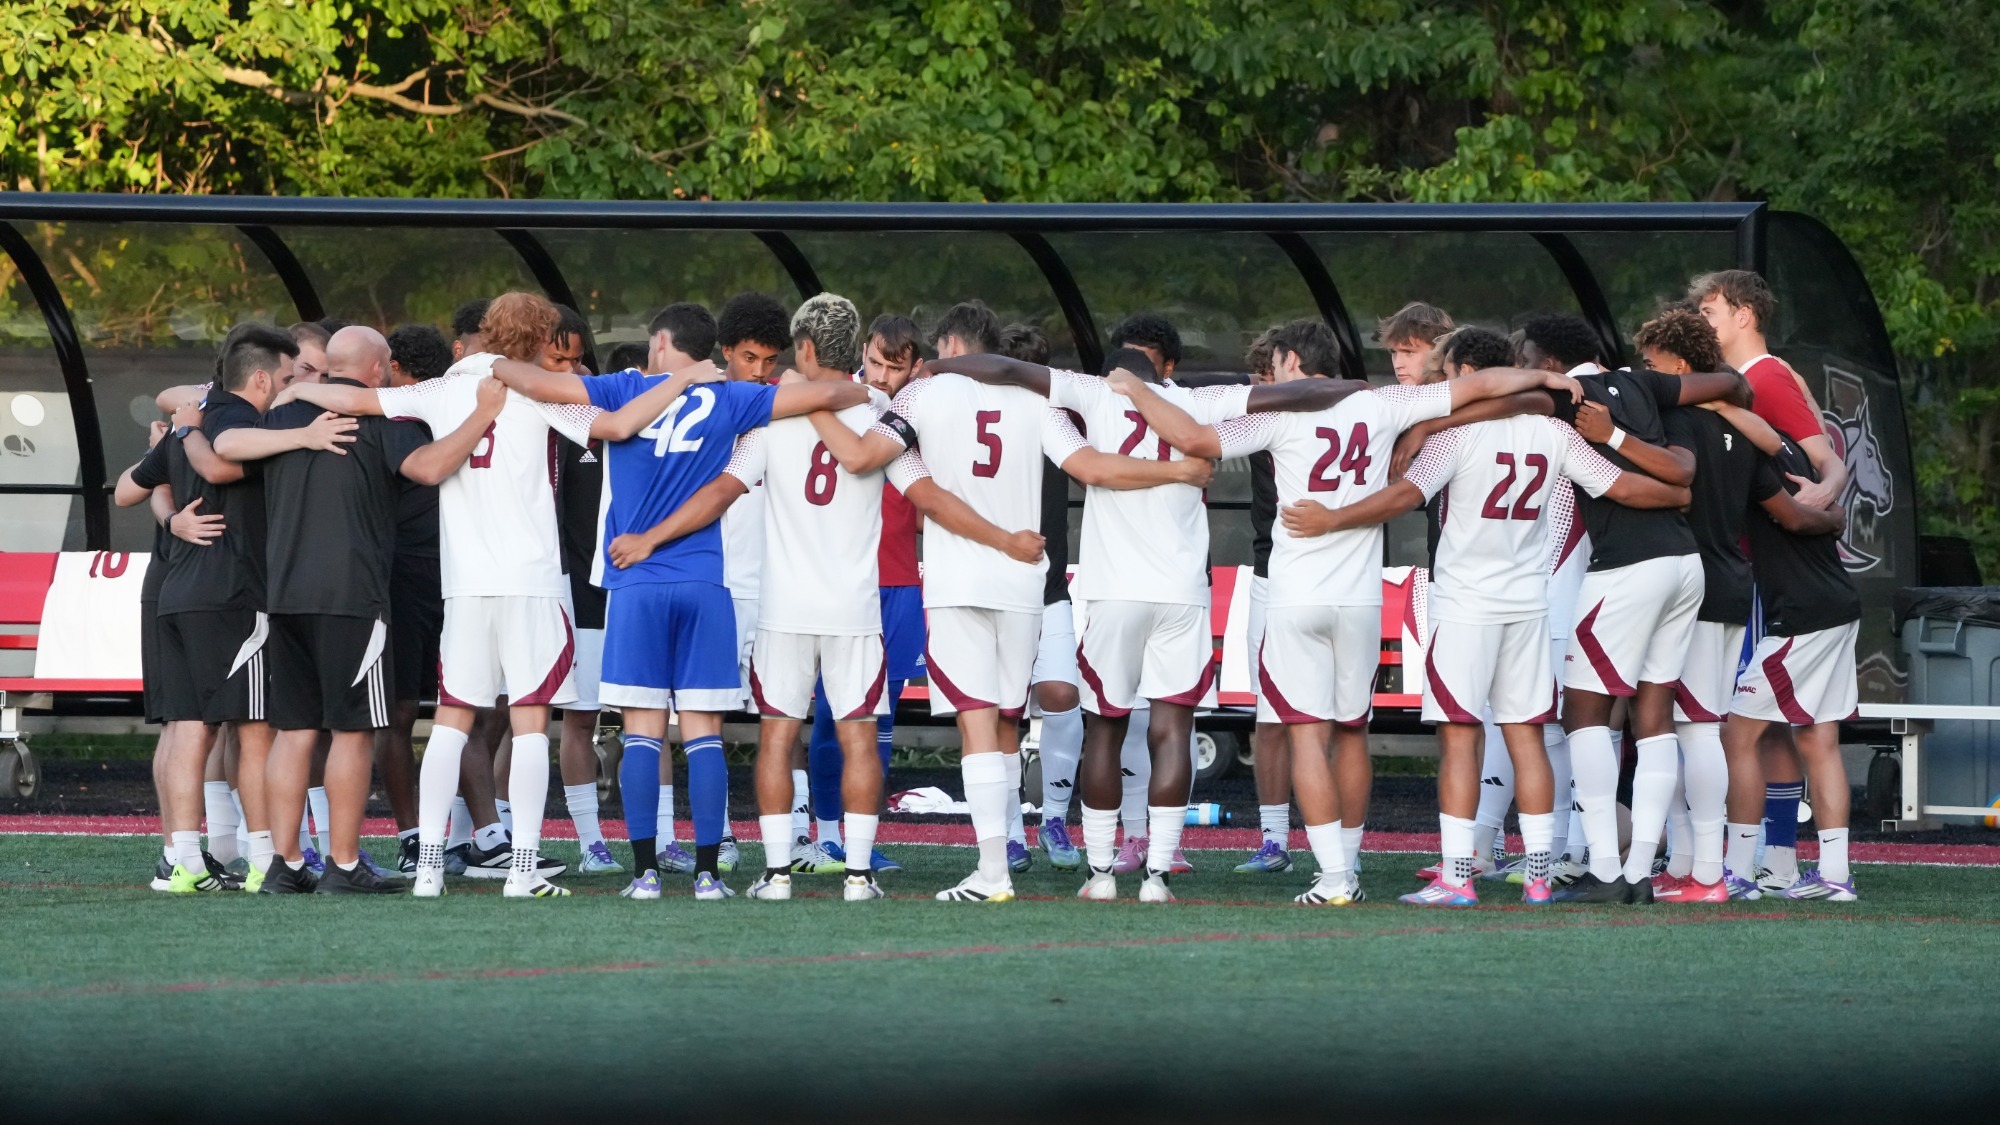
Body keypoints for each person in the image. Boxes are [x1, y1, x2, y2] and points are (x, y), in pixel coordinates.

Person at [1127, 321, 1583, 904]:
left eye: (1278, 365)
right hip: (1362, 599)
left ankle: (1336, 878)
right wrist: (1545, 374)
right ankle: (1370, 868)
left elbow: (1191, 439)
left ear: (1292, 361)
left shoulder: (1279, 413)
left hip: (1298, 596)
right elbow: (1486, 385)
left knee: (1308, 737)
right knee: (1353, 736)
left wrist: (1136, 390)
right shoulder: (1382, 403)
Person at [281, 293, 684, 898]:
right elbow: (619, 425)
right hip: (530, 581)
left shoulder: (444, 386)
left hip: (464, 584)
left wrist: (295, 392)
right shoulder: (541, 390)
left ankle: (429, 870)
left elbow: (357, 398)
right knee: (528, 725)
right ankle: (522, 870)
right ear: (538, 338)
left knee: (449, 723)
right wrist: (684, 380)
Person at [1279, 326, 1690, 906]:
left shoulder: (1459, 436)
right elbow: (1620, 486)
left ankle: (1457, 877)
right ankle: (1541, 877)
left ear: (1467, 372)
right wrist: (1676, 496)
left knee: (1461, 738)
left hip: (1466, 605)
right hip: (1528, 602)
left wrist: (1331, 519)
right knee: (1527, 737)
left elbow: (1404, 498)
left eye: (1449, 376)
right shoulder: (1554, 432)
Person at [487, 306, 870, 901]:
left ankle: (643, 875)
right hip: (704, 584)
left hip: (635, 580)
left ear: (661, 342)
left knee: (642, 732)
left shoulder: (626, 386)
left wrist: (481, 363)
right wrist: (813, 384)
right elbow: (837, 395)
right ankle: (709, 875)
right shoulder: (734, 397)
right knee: (704, 735)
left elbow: (533, 381)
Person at [245, 326, 511, 894]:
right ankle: (344, 865)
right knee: (353, 732)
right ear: (378, 370)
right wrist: (483, 414)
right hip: (352, 599)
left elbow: (223, 444)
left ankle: (285, 865)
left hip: (284, 596)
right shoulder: (382, 425)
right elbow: (432, 467)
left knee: (293, 732)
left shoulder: (278, 419)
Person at [1513, 313, 1751, 904]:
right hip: (1685, 566)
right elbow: (1725, 383)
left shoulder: (1560, 398)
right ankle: (1641, 869)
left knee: (1585, 716)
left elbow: (1483, 403)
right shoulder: (1643, 383)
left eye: (1523, 361)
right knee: (1655, 716)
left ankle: (1604, 870)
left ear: (1547, 364)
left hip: (1626, 569)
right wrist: (1738, 394)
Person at [118, 327, 359, 893]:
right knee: (254, 730)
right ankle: (261, 860)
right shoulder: (250, 423)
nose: (295, 385)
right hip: (234, 595)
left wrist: (170, 506)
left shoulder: (192, 416)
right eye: (288, 375)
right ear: (260, 378)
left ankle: (183, 859)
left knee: (188, 727)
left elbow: (129, 486)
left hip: (176, 592)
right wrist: (305, 435)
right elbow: (224, 462)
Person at [727, 294, 896, 902]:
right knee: (858, 736)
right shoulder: (877, 407)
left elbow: (726, 485)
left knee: (777, 735)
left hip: (784, 607)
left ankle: (775, 876)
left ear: (801, 348)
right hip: (854, 605)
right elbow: (917, 486)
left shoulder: (770, 413)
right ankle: (857, 875)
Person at [1691, 270, 1845, 893]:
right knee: (1794, 731)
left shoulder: (1766, 379)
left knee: (1742, 731)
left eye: (1711, 310)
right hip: (1800, 584)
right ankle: (1786, 862)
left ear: (1745, 314)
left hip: (1785, 588)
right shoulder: (1751, 384)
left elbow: (1817, 457)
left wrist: (1821, 501)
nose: (1704, 321)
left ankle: (1741, 866)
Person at [1628, 307, 1778, 902]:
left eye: (1653, 362)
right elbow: (1775, 493)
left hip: (1693, 587)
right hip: (1734, 582)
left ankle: (1709, 875)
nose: (1647, 373)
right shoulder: (1739, 424)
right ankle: (1690, 861)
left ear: (1681, 365)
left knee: (1694, 732)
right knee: (1703, 726)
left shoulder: (1673, 422)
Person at [802, 314, 928, 875]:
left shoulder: (922, 411)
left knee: (878, 723)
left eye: (893, 368)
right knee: (830, 715)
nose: (880, 375)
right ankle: (825, 836)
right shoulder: (828, 398)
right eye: (873, 362)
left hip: (899, 582)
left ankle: (859, 839)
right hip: (837, 581)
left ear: (915, 368)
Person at [1721, 435, 1859, 900]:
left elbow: (1794, 518)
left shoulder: (1750, 455)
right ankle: (1834, 875)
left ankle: (1737, 873)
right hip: (1836, 604)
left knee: (1738, 735)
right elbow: (1820, 516)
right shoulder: (1795, 450)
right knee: (1819, 740)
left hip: (1801, 615)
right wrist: (1834, 516)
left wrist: (1825, 517)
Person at [714, 292, 795, 872]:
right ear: (725, 354)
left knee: (785, 713)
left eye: (769, 361)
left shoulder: (792, 403)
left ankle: (804, 836)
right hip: (720, 584)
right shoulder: (707, 405)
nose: (760, 372)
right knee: (707, 716)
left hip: (783, 589)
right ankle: (715, 835)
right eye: (749, 359)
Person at [380, 323, 454, 872]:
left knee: (458, 712)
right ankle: (414, 836)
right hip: (410, 577)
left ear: (398, 371)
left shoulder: (445, 408)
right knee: (401, 713)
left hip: (440, 578)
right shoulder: (392, 419)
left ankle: (467, 834)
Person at [1378, 302, 1455, 385]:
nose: (1397, 364)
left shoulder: (1458, 395)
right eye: (1393, 352)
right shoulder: (1390, 396)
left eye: (1409, 352)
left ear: (1439, 352)